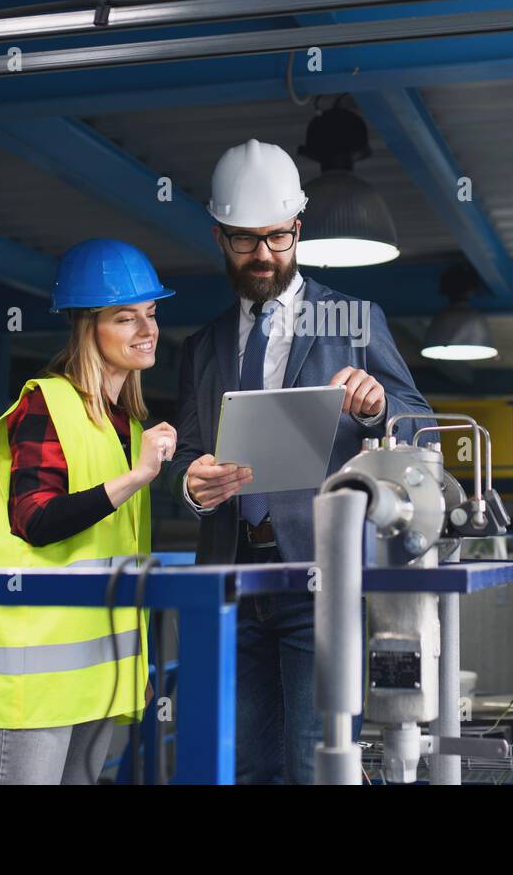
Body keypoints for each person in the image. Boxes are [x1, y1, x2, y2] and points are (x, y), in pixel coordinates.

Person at [170, 139, 434, 784]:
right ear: (218, 237)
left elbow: (422, 425)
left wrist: (376, 409)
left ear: (298, 228)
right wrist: (192, 484)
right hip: (230, 581)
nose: (264, 254)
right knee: (244, 764)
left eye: (278, 238)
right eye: (244, 240)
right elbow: (189, 449)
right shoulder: (201, 346)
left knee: (315, 762)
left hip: (320, 578)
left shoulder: (355, 318)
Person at [0, 239, 177, 785]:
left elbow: (118, 554)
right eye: (125, 318)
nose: (146, 329)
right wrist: (136, 477)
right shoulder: (46, 403)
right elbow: (34, 517)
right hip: (31, 679)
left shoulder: (124, 426)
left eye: (150, 314)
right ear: (87, 328)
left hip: (99, 674)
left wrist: (136, 669)